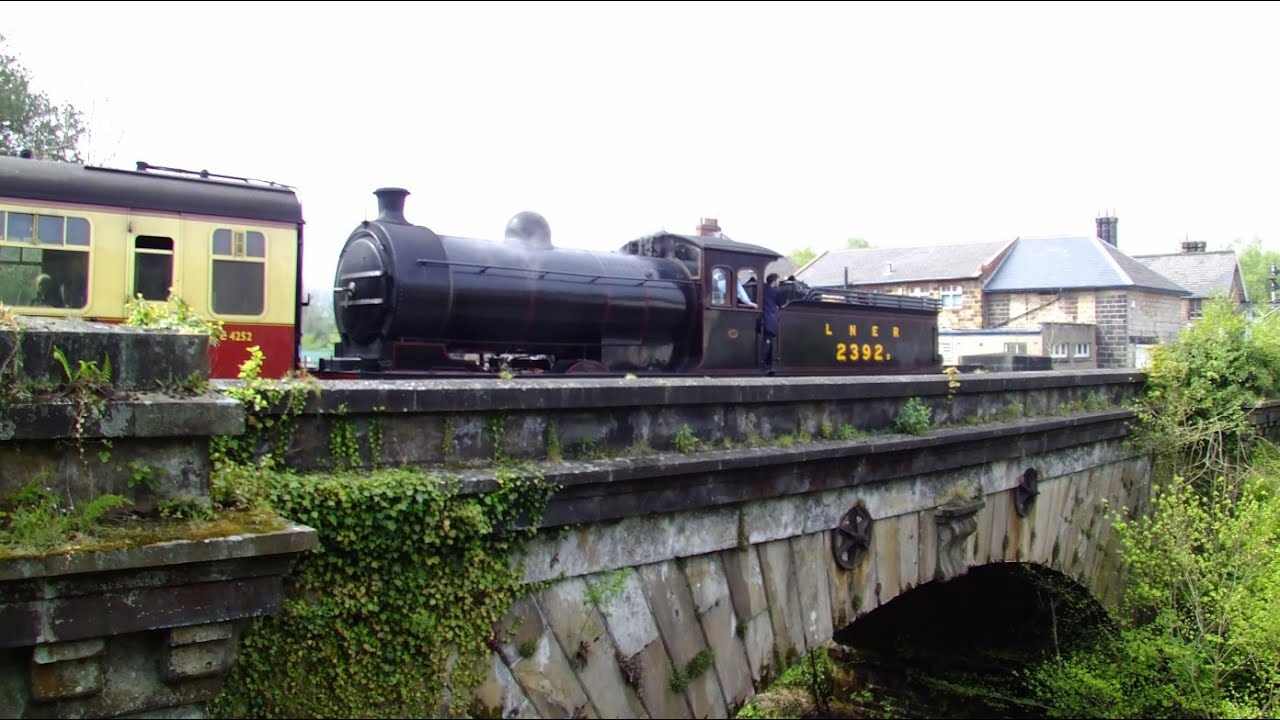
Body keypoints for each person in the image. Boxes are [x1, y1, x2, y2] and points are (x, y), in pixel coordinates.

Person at [761, 273, 781, 370]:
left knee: (767, 341)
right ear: (774, 281)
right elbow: (781, 304)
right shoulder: (775, 292)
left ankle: (767, 362)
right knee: (768, 341)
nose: (779, 283)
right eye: (778, 281)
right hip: (770, 319)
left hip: (765, 318)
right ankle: (763, 361)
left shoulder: (763, 289)